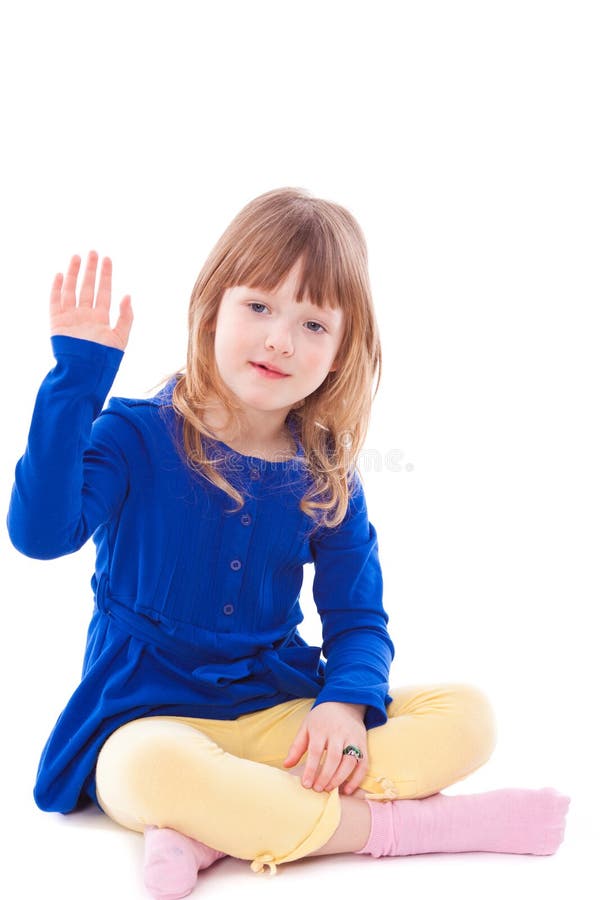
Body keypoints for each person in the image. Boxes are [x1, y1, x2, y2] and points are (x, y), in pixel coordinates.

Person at [7, 188, 569, 900]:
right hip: (146, 716)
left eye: (312, 324)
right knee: (146, 773)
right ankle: (404, 830)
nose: (280, 339)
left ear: (337, 354)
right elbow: (40, 535)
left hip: (276, 712)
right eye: (260, 307)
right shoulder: (134, 435)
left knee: (469, 716)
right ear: (212, 308)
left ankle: (214, 826)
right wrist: (74, 383)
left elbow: (358, 620)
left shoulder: (325, 471)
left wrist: (343, 704)